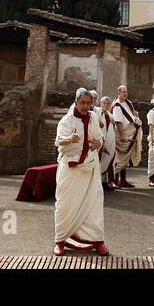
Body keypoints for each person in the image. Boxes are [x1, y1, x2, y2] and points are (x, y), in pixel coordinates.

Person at [53, 87, 109, 256]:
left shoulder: (93, 118)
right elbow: (58, 142)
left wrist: (97, 144)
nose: (85, 106)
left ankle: (98, 241)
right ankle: (60, 241)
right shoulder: (66, 120)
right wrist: (70, 139)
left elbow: (99, 139)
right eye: (82, 103)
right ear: (76, 102)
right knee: (65, 204)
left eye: (88, 103)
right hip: (70, 168)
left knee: (94, 204)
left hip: (89, 167)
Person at [110, 86, 143, 188]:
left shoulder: (128, 103)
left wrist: (135, 115)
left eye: (126, 92)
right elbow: (118, 122)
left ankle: (123, 180)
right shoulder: (116, 106)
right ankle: (114, 180)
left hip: (131, 131)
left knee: (127, 157)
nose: (125, 94)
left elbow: (132, 114)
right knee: (119, 157)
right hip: (122, 134)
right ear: (119, 92)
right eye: (123, 92)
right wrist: (123, 135)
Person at [97, 94, 118, 191]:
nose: (105, 105)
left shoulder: (111, 116)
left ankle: (106, 183)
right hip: (101, 142)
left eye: (107, 103)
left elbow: (113, 129)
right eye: (104, 103)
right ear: (101, 104)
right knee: (100, 162)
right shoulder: (96, 114)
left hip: (110, 143)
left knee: (110, 162)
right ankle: (98, 183)